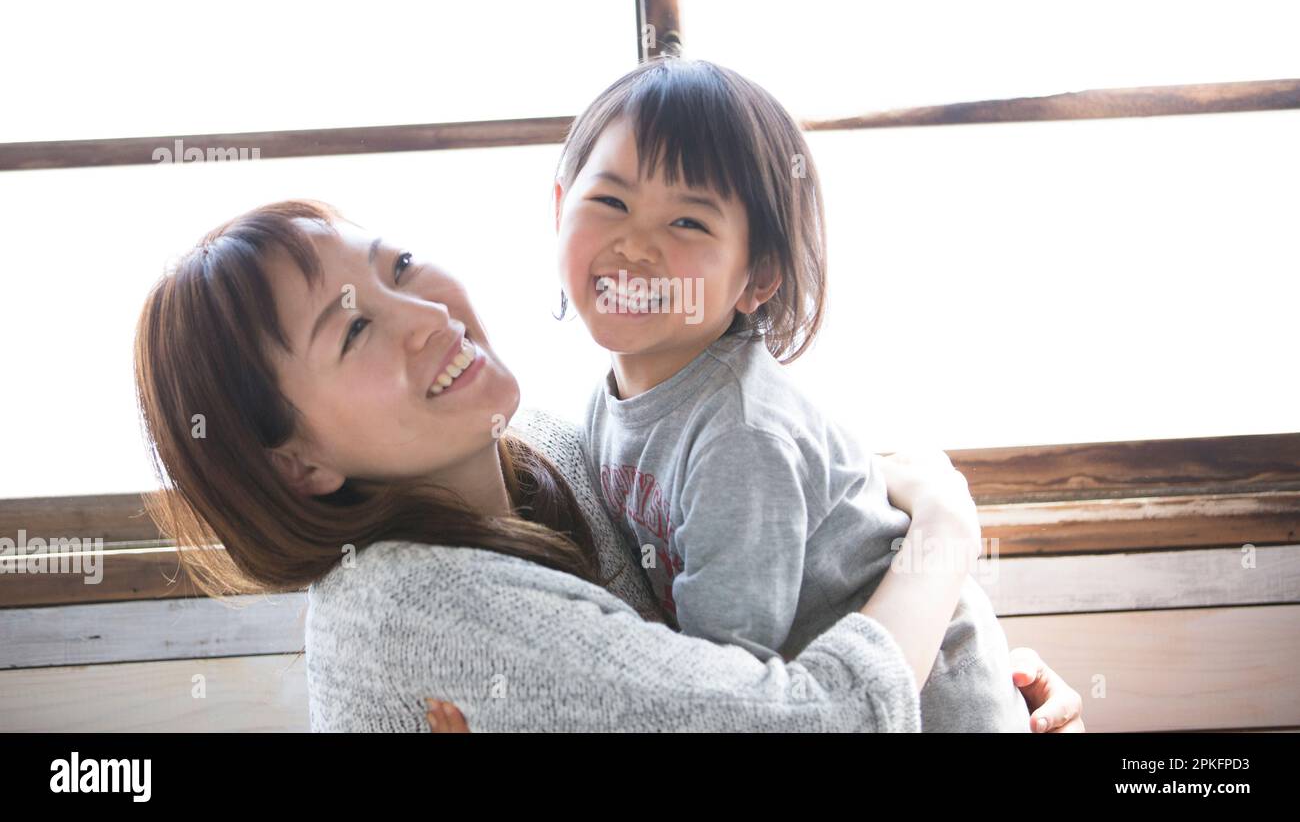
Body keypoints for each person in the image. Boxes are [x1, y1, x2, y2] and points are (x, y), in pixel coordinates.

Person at [133, 198, 1083, 731]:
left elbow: (760, 599)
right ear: (296, 465)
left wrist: (961, 679)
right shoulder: (405, 609)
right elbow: (809, 727)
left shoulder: (548, 446)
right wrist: (946, 538)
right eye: (353, 329)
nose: (429, 315)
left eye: (401, 263)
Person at [553, 58, 1027, 730]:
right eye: (610, 202)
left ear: (759, 276)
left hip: (931, 708)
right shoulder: (604, 400)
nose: (635, 246)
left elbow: (727, 689)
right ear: (559, 204)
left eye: (687, 222)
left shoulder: (740, 437)